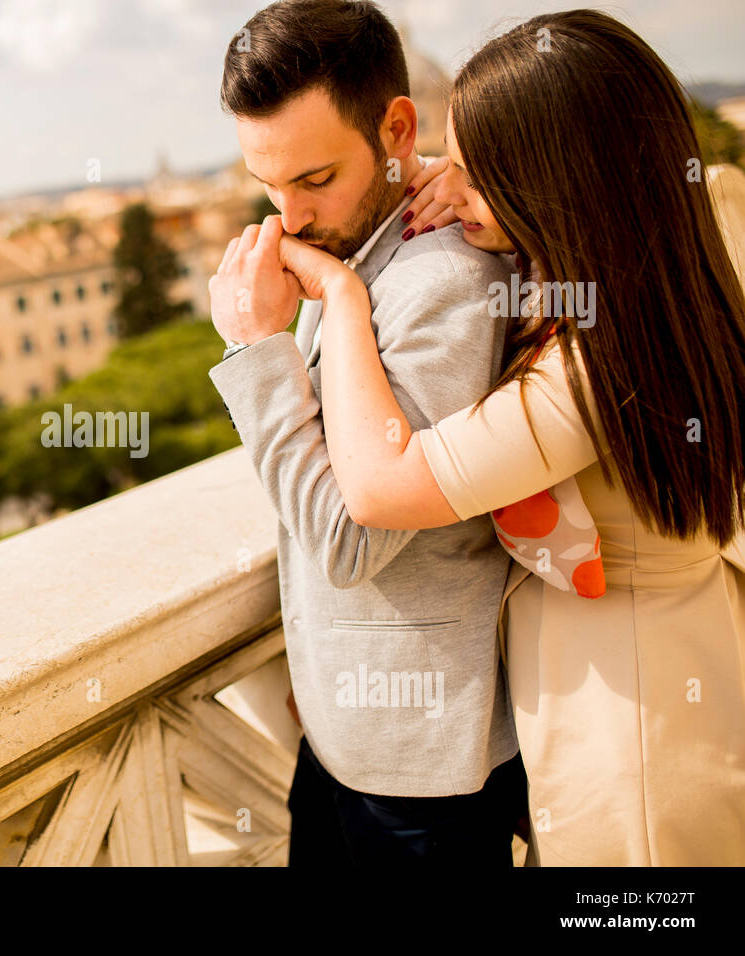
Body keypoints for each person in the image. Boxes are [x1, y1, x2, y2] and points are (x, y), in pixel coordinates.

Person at [275, 8, 745, 865]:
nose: (448, 195)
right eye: (451, 162)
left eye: (478, 174)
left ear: (565, 188)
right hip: (658, 668)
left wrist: (342, 297)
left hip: (630, 731)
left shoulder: (595, 371)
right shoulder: (653, 286)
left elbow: (380, 492)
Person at [208, 0, 526, 866]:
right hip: (350, 735)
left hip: (421, 776)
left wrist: (255, 348)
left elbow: (352, 540)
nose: (291, 218)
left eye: (315, 180)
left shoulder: (443, 279)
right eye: (267, 186)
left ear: (396, 128)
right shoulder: (355, 251)